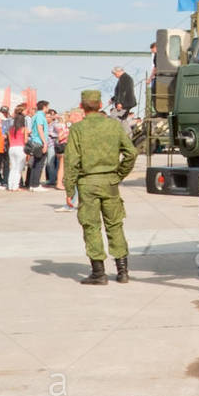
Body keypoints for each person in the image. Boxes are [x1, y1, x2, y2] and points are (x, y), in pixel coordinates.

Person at [64, 89, 137, 285]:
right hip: (110, 182)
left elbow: (71, 162)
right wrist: (120, 174)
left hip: (87, 183)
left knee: (91, 226)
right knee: (115, 225)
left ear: (82, 106)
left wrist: (69, 190)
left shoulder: (77, 129)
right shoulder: (114, 126)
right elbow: (131, 153)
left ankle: (98, 272)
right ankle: (123, 272)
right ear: (101, 104)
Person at [26, 100, 51, 191]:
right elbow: (40, 129)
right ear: (44, 107)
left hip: (34, 141)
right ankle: (36, 185)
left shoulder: (35, 115)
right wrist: (44, 143)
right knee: (39, 164)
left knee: (35, 164)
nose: (48, 109)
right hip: (39, 142)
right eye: (47, 107)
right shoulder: (40, 116)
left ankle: (32, 184)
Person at [6, 106, 28, 190]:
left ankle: (10, 185)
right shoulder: (24, 129)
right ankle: (15, 186)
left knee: (13, 167)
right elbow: (25, 140)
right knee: (19, 169)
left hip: (12, 148)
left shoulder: (11, 129)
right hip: (20, 148)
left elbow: (10, 140)